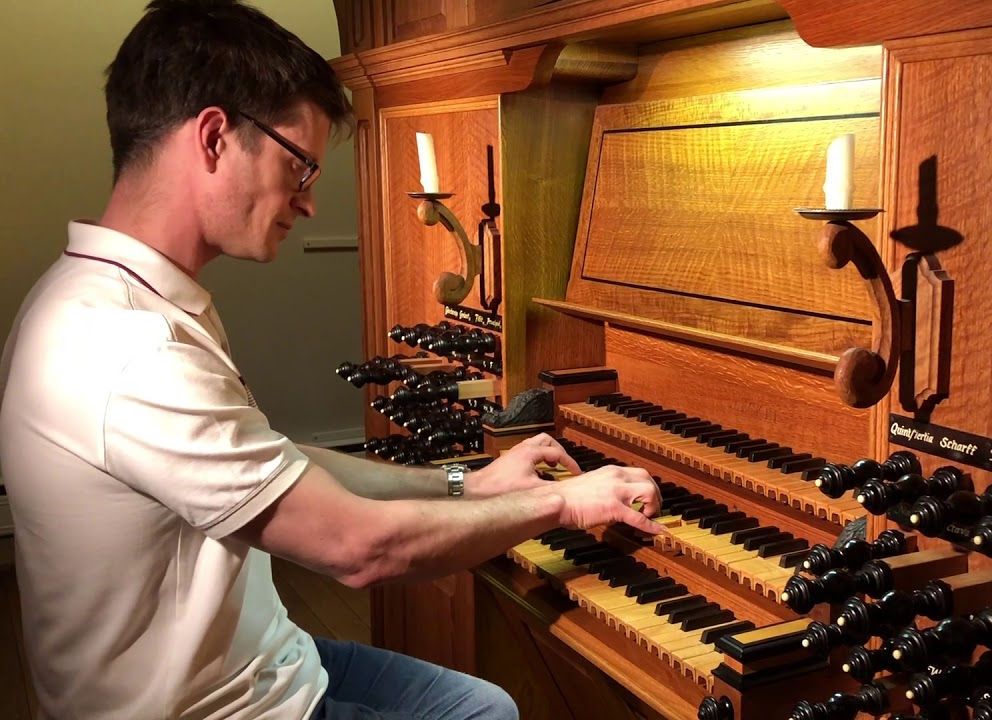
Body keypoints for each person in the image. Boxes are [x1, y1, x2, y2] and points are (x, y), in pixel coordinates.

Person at [0, 1, 666, 718]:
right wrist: (561, 501)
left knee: (483, 703)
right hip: (201, 708)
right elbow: (360, 549)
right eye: (300, 166)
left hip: (249, 660)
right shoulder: (127, 346)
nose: (310, 202)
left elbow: (284, 463)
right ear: (216, 136)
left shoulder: (111, 296)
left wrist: (465, 485)